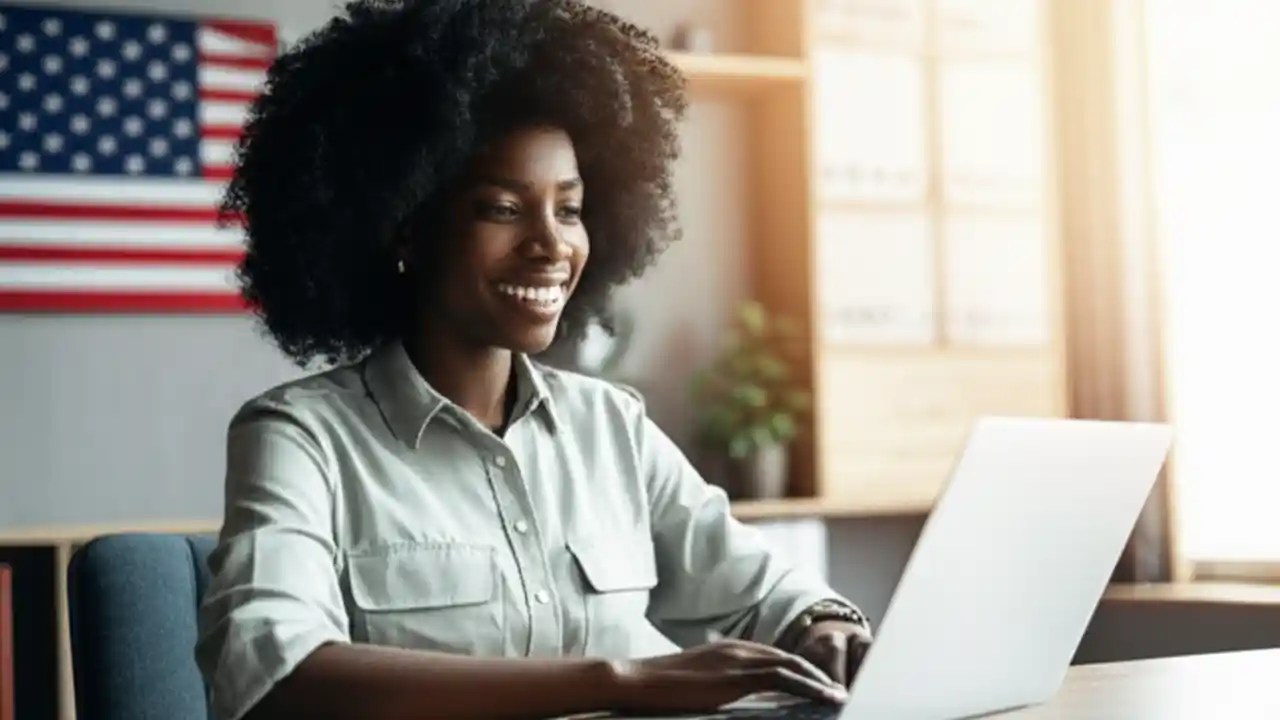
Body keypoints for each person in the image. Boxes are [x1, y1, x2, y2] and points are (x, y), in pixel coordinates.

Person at [195, 2, 873, 719]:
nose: (551, 244)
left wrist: (825, 628)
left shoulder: (611, 425)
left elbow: (763, 590)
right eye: (503, 208)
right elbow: (275, 674)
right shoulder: (303, 437)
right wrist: (619, 681)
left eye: (571, 210)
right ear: (406, 230)